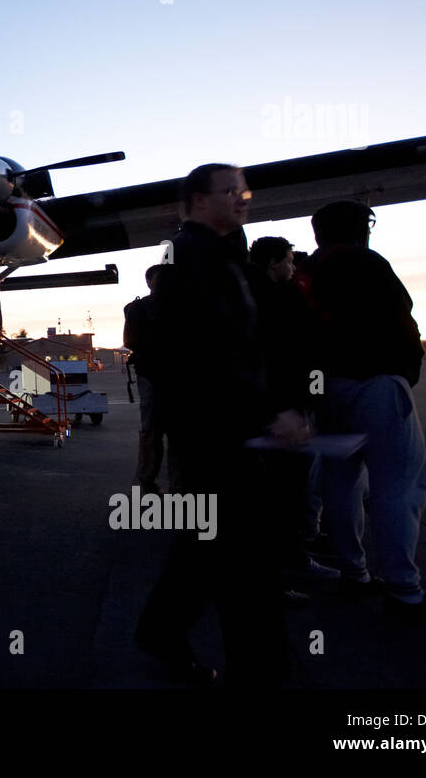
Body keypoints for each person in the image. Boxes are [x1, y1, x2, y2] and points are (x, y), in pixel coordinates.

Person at [134, 164, 310, 688]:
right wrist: (265, 414)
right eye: (230, 191)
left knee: (209, 546)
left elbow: (247, 344)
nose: (242, 199)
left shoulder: (224, 258)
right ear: (195, 201)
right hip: (218, 431)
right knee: (246, 565)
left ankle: (162, 629)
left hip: (221, 429)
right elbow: (205, 352)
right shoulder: (191, 260)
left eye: (246, 190)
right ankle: (260, 675)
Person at [307, 201, 426, 629]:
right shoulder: (368, 262)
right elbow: (403, 321)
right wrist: (405, 373)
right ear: (360, 228)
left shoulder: (306, 273)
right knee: (399, 484)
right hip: (377, 384)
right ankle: (404, 590)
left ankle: (354, 572)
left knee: (341, 482)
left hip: (328, 390)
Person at [248, 236, 340, 592]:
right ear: (273, 263)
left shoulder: (247, 294)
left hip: (264, 408)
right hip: (280, 409)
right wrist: (297, 405)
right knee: (285, 493)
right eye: (288, 260)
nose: (293, 266)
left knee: (268, 494)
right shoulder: (277, 299)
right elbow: (292, 357)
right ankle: (285, 563)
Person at [124, 265, 172, 493]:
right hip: (154, 375)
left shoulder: (135, 308)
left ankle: (147, 478)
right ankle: (149, 479)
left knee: (151, 429)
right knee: (154, 429)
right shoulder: (140, 308)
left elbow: (130, 342)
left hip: (149, 374)